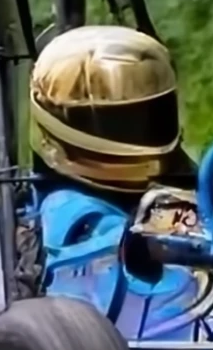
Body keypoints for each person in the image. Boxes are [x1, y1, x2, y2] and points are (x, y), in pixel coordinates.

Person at [28, 24, 198, 214]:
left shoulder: (186, 175)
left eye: (153, 114)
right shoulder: (68, 209)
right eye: (122, 123)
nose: (139, 129)